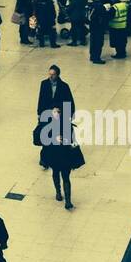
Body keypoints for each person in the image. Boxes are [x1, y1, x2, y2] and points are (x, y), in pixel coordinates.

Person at [36, 66, 83, 209]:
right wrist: (40, 114)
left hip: (63, 153)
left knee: (65, 176)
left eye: (53, 74)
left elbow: (70, 105)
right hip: (56, 152)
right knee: (57, 173)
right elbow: (41, 99)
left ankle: (67, 200)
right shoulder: (44, 84)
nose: (51, 77)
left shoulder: (64, 87)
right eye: (49, 74)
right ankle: (58, 192)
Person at [88, 0, 109, 64]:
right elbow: (105, 18)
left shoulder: (92, 7)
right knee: (98, 43)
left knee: (93, 42)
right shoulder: (101, 8)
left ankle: (92, 56)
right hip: (99, 29)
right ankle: (97, 58)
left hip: (92, 28)